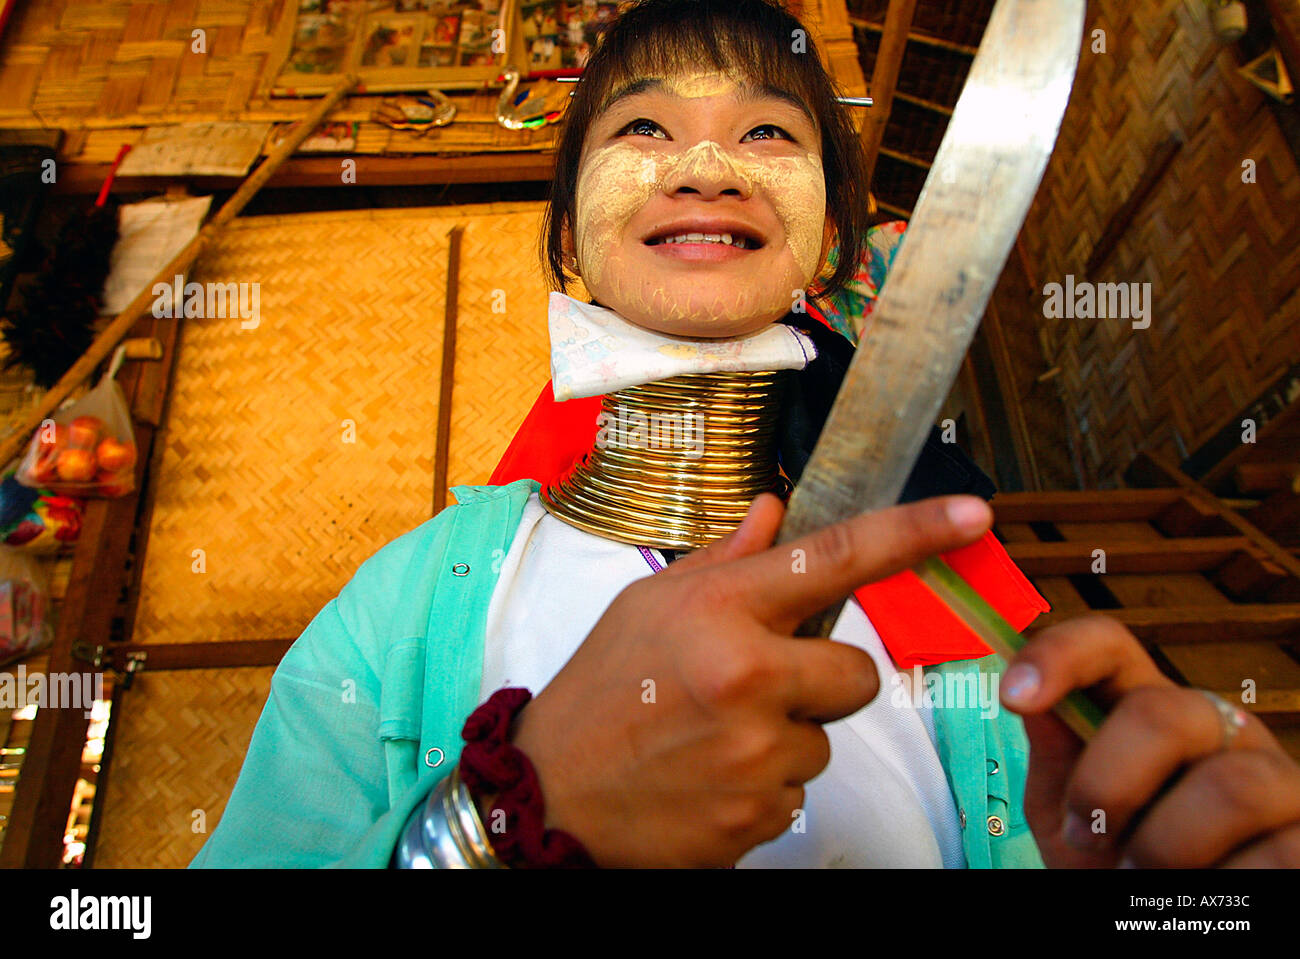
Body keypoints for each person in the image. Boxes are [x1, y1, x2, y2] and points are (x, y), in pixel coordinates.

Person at [192, 0, 1300, 869]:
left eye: (768, 130)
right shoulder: (395, 614)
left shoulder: (971, 639)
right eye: (641, 126)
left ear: (826, 236)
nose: (707, 165)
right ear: (569, 230)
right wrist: (500, 827)